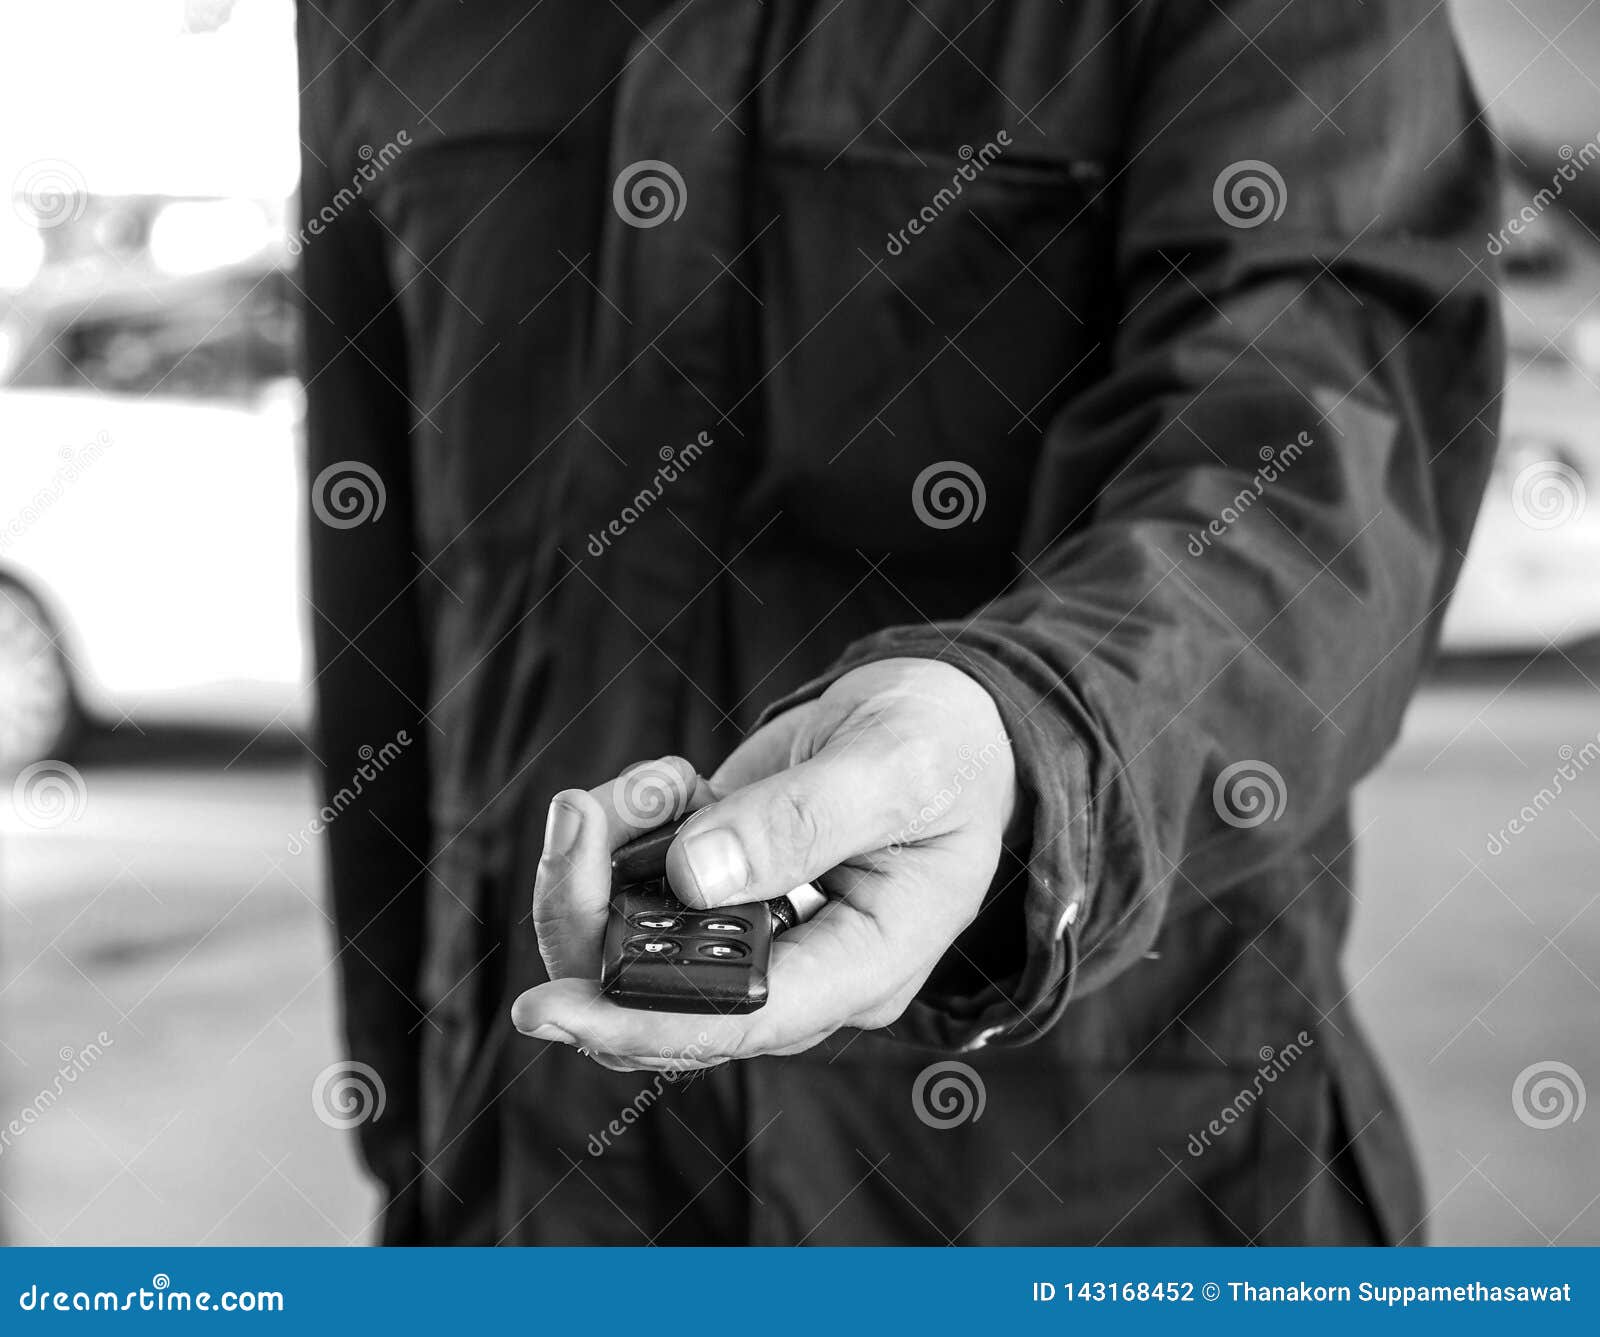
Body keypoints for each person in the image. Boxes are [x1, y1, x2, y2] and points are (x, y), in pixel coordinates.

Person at [295, 0, 1502, 1245]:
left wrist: (1038, 736)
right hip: (531, 1181)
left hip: (1094, 1181)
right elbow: (378, 595)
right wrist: (411, 1131)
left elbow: (1317, 440)